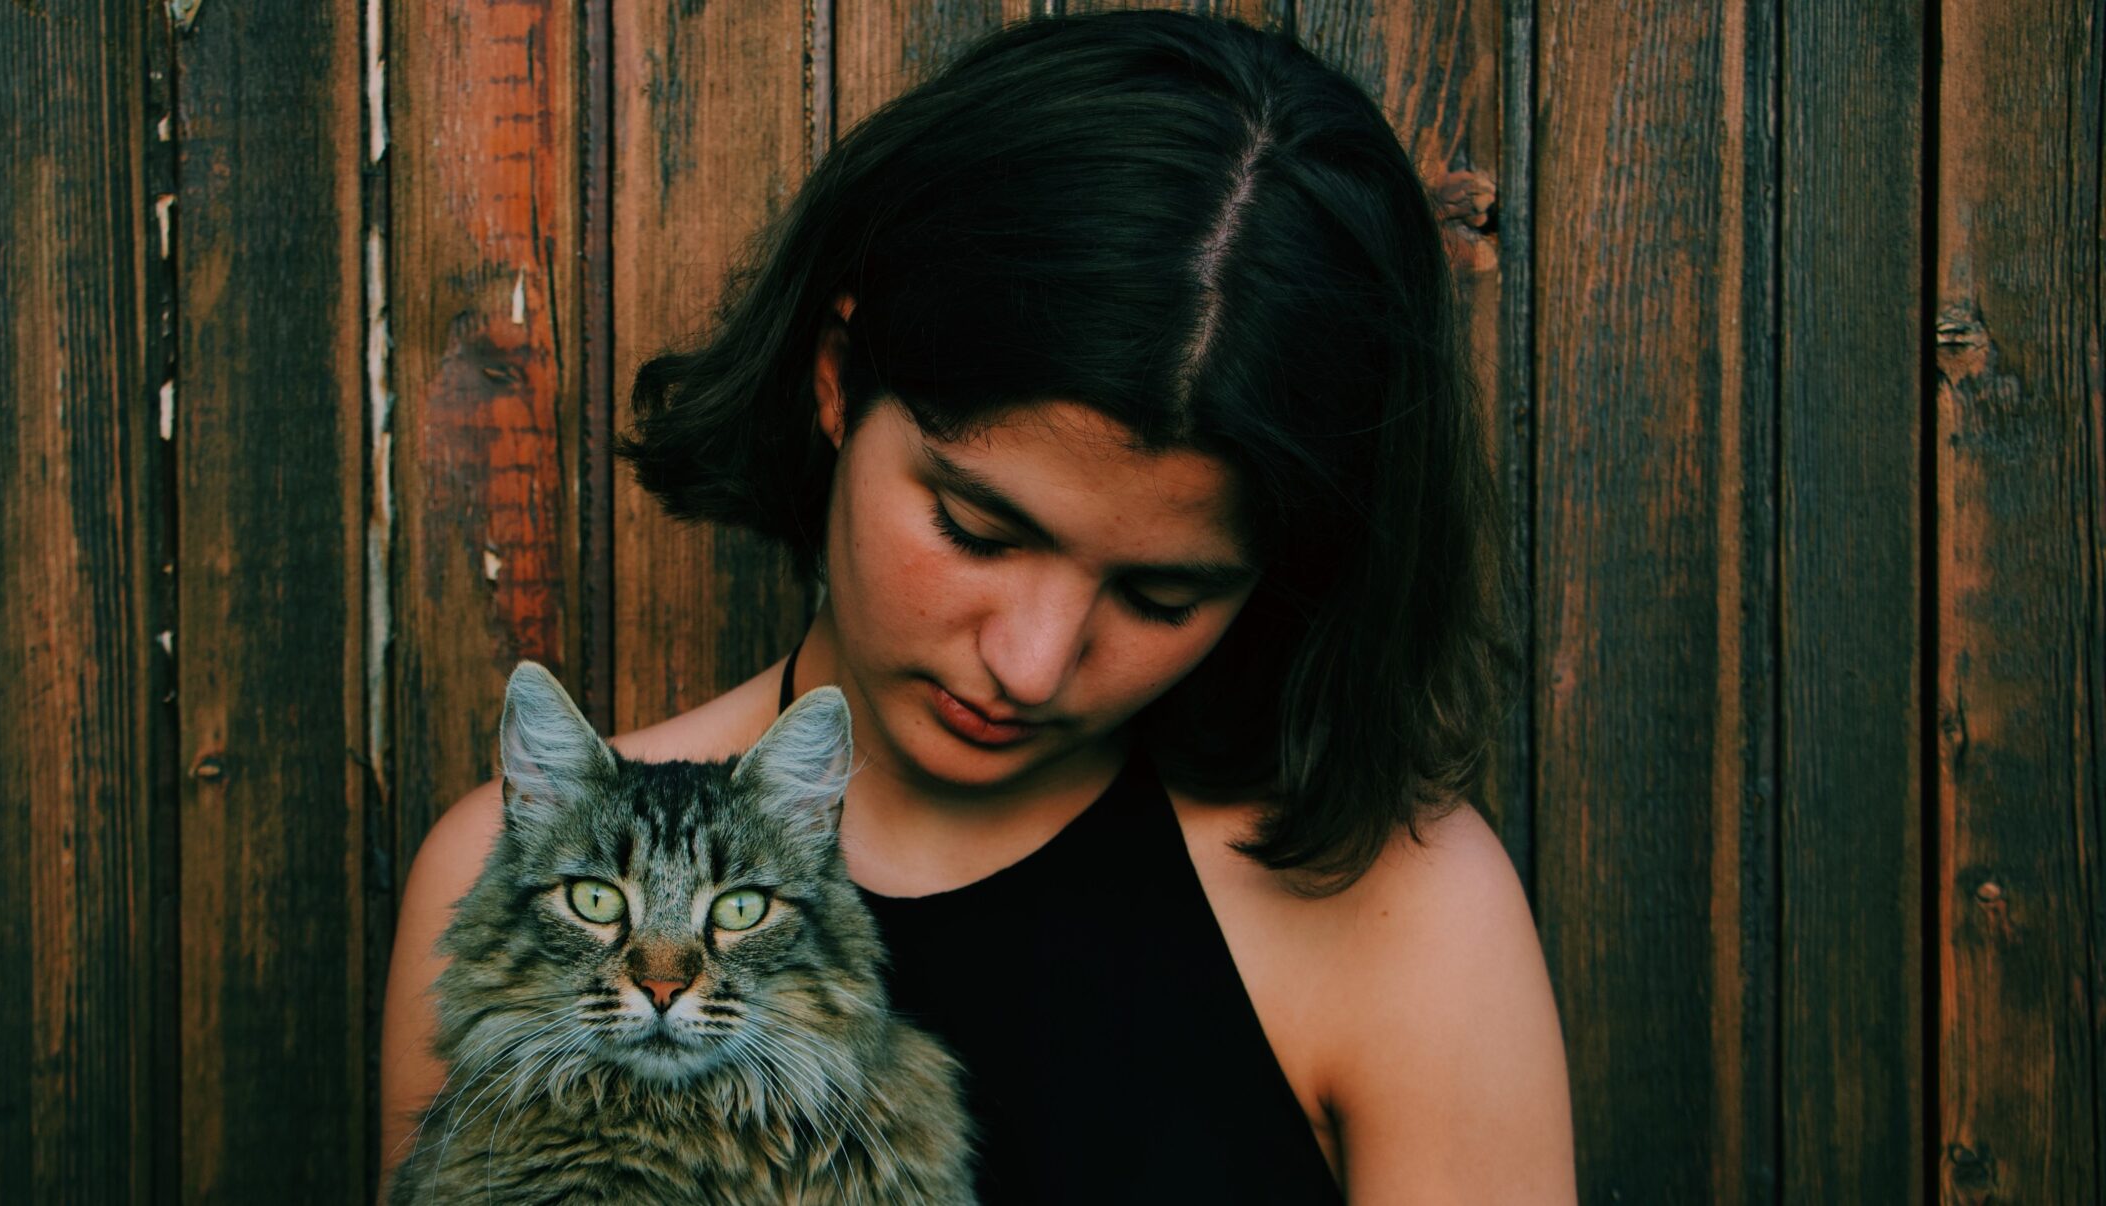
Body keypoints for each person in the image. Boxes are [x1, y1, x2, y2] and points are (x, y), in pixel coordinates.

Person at [381, 9, 1575, 1202]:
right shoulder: (494, 880)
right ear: (837, 383)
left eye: (1164, 593)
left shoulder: (1405, 918)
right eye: (978, 532)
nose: (1033, 663)